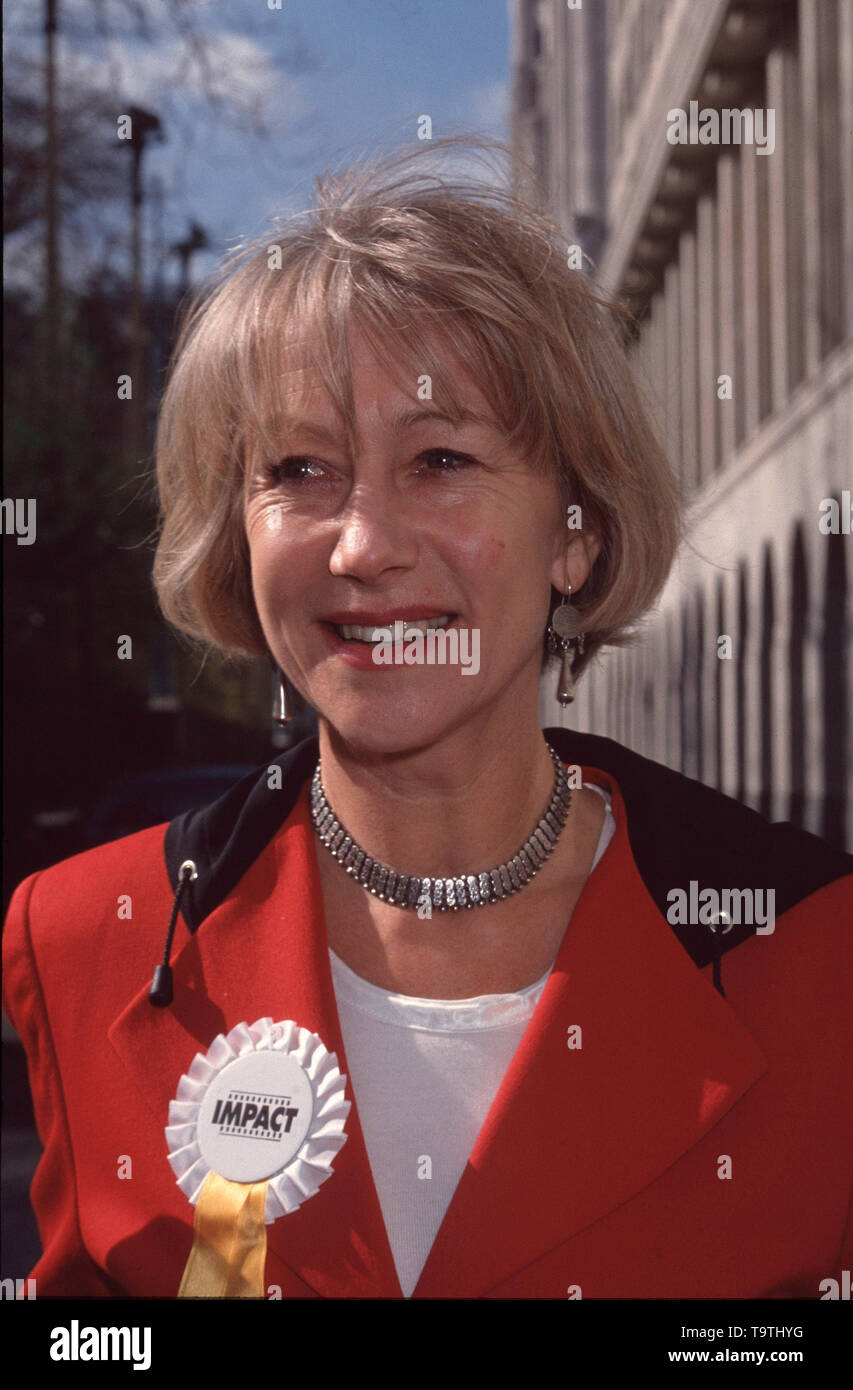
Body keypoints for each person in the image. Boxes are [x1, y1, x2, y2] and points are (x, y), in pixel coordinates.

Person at [3, 139, 851, 1301]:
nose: (362, 547)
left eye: (440, 458)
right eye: (300, 470)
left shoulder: (817, 958)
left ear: (576, 531)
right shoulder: (82, 941)